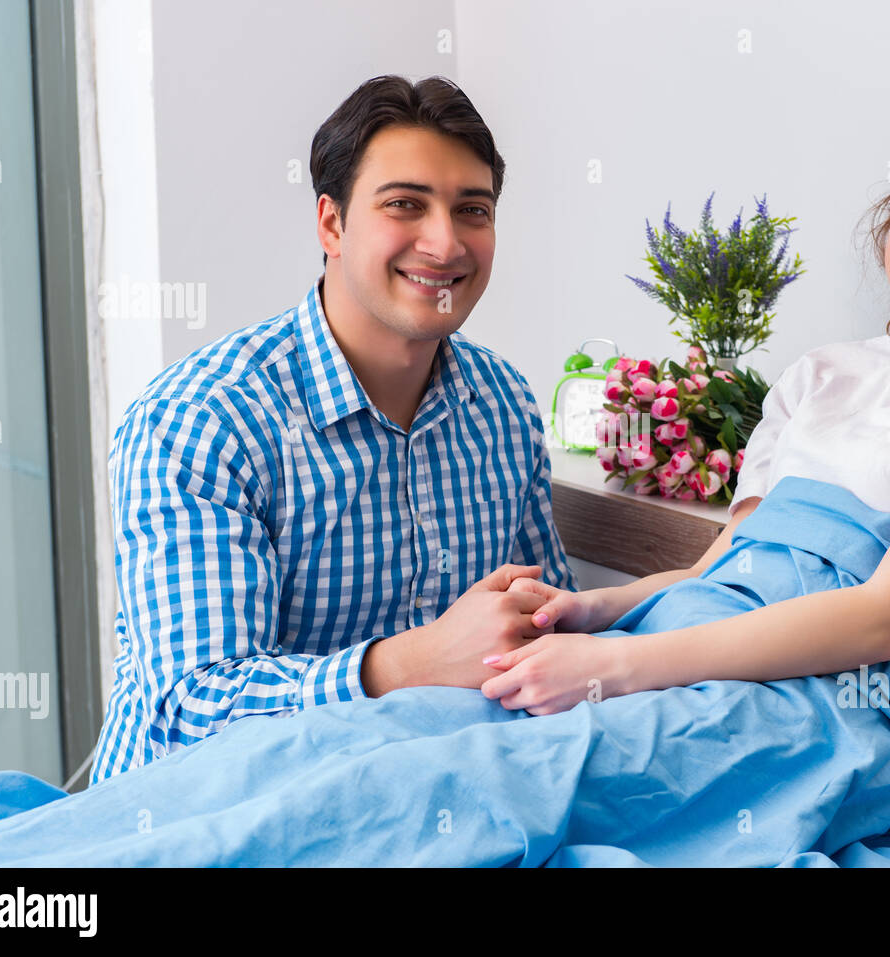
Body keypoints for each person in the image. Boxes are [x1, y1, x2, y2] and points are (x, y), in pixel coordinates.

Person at [484, 93, 890, 715]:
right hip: (701, 643)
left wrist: (616, 666)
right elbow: (719, 572)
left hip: (848, 696)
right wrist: (592, 612)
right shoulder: (822, 374)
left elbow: (882, 622)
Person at [90, 75, 576, 785]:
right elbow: (192, 711)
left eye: (472, 209)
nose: (444, 242)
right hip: (201, 816)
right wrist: (412, 662)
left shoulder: (505, 405)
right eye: (405, 204)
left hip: (426, 802)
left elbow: (545, 630)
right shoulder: (201, 421)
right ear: (331, 224)